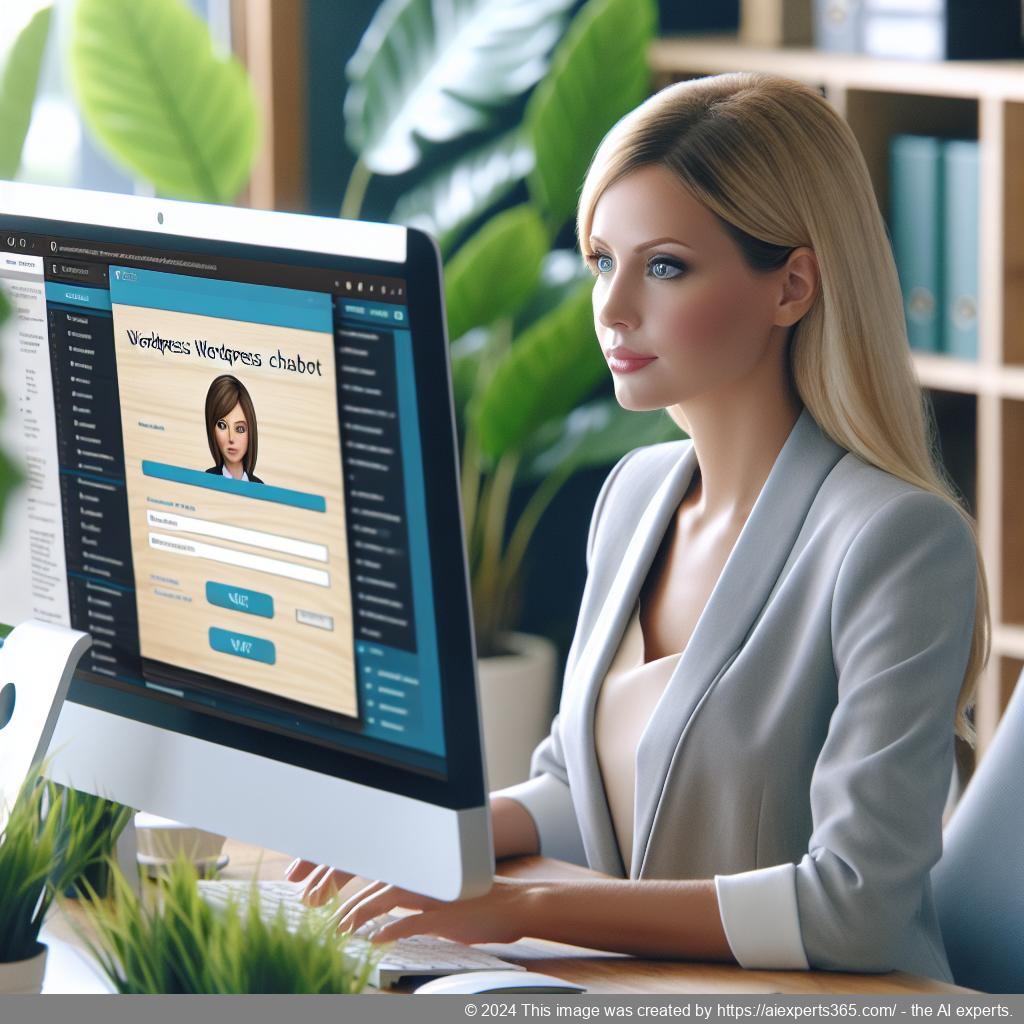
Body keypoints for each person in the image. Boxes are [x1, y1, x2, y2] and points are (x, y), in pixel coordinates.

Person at [286, 71, 989, 981]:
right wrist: (413, 837)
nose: (613, 310)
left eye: (664, 266)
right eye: (600, 262)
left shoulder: (896, 541)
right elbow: (592, 792)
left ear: (794, 286)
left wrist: (519, 907)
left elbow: (854, 905)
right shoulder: (634, 496)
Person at [204, 374, 264, 484]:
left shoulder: (259, 486)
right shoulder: (208, 480)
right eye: (222, 426)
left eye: (240, 429)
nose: (231, 438)